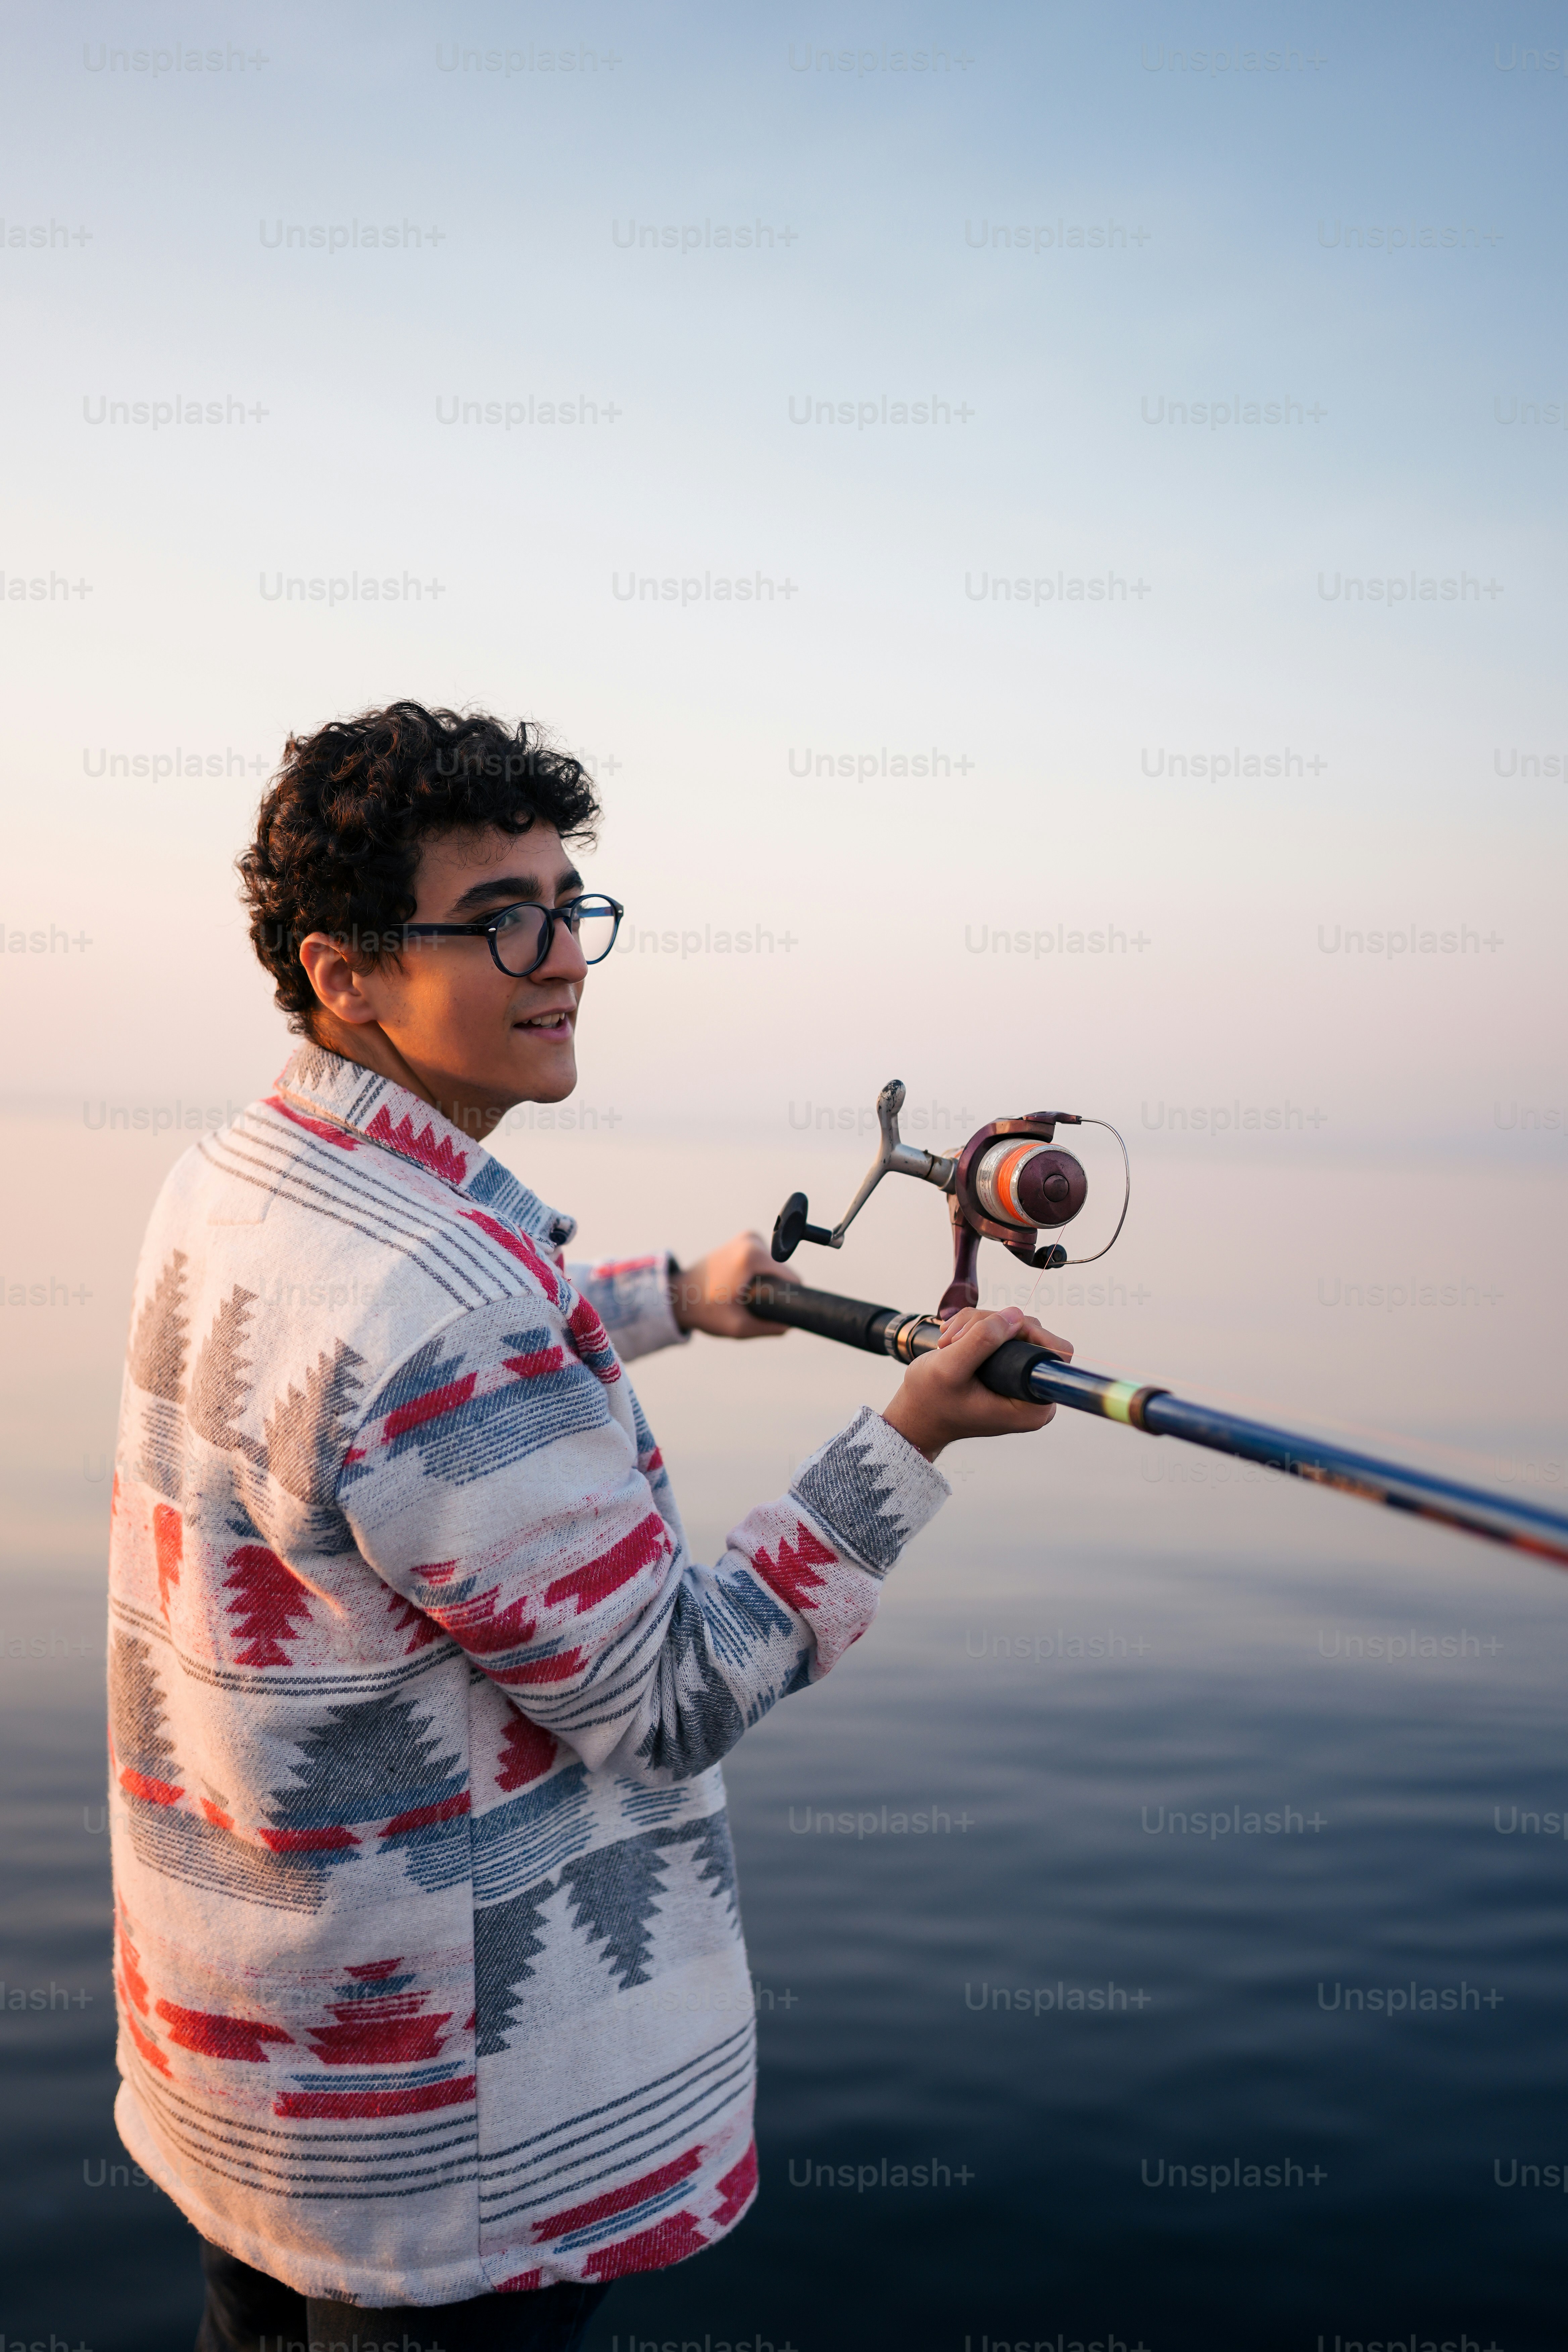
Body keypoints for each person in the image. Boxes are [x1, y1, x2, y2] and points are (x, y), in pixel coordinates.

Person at [106, 702, 1070, 2352]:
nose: (563, 959)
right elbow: (668, 1695)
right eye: (502, 921)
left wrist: (682, 1300)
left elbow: (390, 1404)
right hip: (449, 2166)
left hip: (254, 2084)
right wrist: (903, 1445)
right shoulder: (436, 1298)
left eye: (571, 905)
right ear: (346, 973)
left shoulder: (241, 1181)